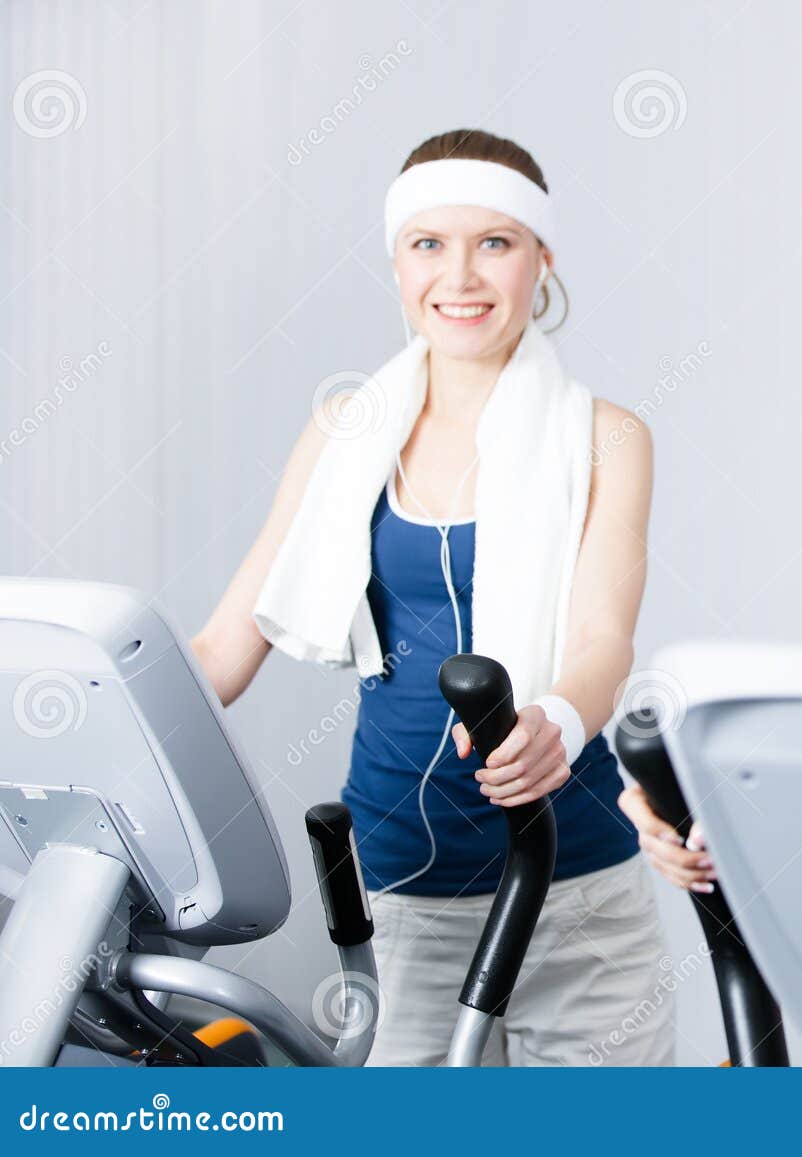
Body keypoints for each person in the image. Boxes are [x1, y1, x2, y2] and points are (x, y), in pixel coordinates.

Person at [193, 128, 673, 1066]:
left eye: (495, 242)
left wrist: (558, 720)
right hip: (403, 891)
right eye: (428, 244)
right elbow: (220, 653)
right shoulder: (343, 432)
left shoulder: (610, 437)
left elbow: (603, 639)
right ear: (397, 263)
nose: (460, 276)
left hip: (578, 894)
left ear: (542, 259)